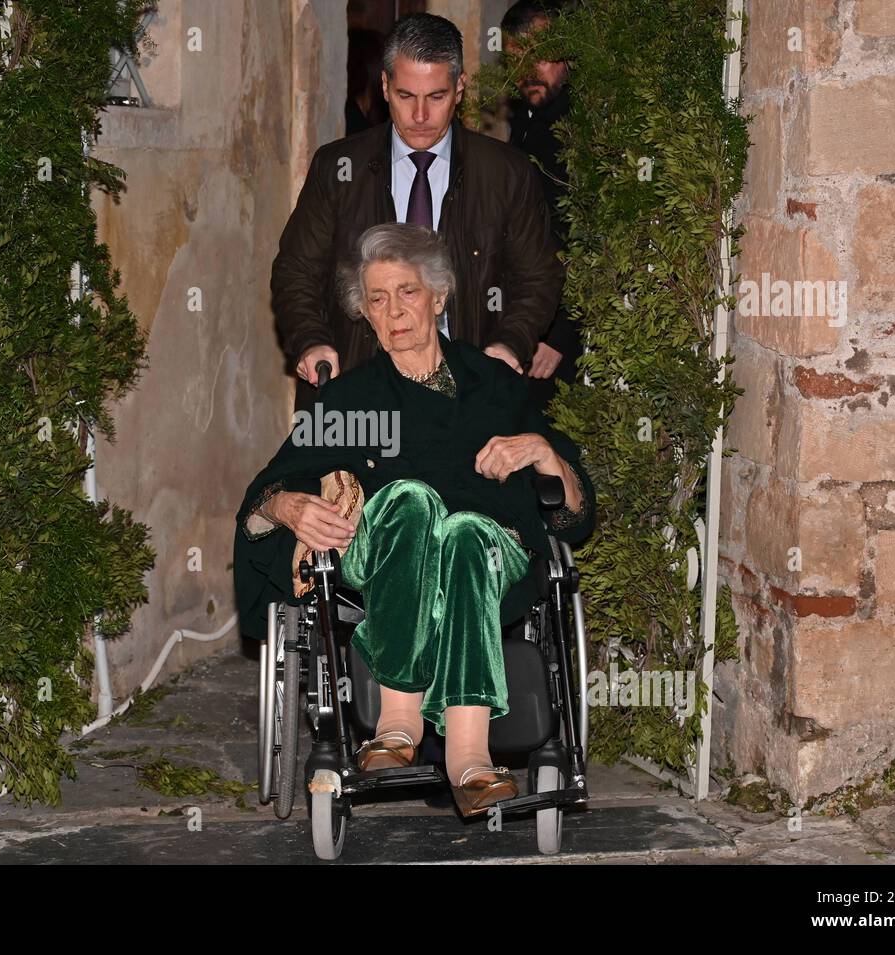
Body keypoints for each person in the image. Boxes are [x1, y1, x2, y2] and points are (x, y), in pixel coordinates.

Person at [236, 223, 595, 817]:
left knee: (465, 531)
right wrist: (285, 505)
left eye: (407, 292)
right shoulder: (349, 401)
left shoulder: (495, 386)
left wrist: (541, 450)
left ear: (439, 296)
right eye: (377, 299)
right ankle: (398, 721)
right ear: (365, 315)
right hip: (383, 560)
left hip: (487, 564)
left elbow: (575, 514)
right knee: (410, 499)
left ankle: (468, 755)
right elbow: (267, 491)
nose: (394, 310)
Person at [272, 12, 564, 413]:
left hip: (468, 397)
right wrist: (311, 340)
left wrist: (508, 345)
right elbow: (296, 270)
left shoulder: (506, 172)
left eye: (436, 97)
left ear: (459, 89)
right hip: (360, 391)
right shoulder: (337, 168)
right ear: (385, 86)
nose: (421, 116)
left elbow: (538, 277)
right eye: (407, 96)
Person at [502, 0, 583, 408]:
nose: (529, 73)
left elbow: (588, 237)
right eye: (518, 61)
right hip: (524, 323)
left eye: (541, 57)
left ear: (568, 56)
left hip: (563, 340)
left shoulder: (582, 128)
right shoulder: (524, 122)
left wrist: (559, 335)